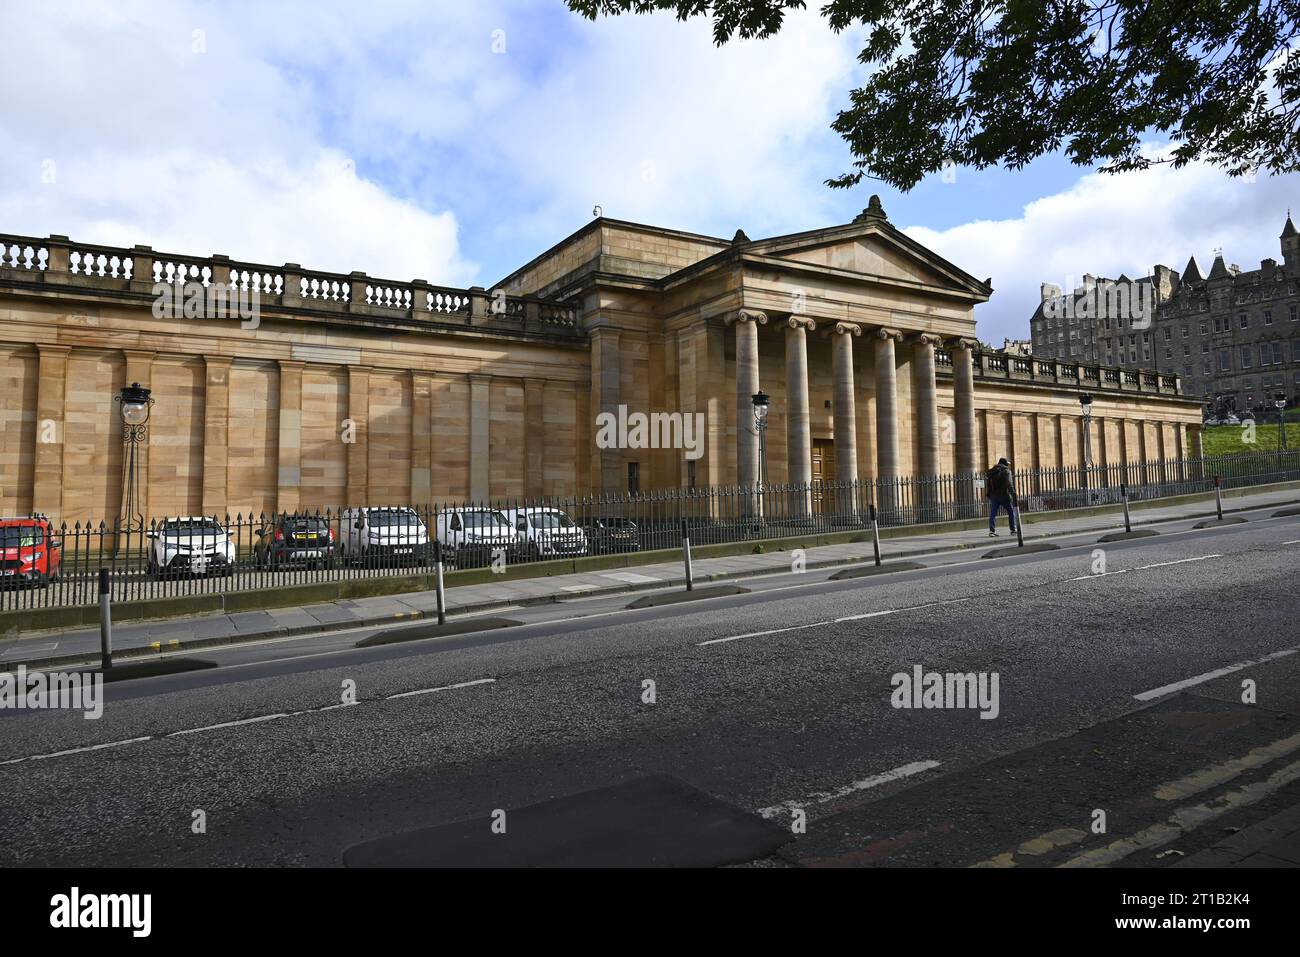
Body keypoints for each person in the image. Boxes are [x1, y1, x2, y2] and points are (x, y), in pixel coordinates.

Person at [986, 457, 1017, 537]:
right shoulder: (1006, 471)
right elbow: (1009, 483)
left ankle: (992, 531)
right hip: (1004, 495)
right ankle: (1013, 530)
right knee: (1011, 512)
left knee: (993, 513)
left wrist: (990, 494)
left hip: (994, 495)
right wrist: (1013, 493)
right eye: (1007, 464)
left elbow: (988, 484)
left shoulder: (992, 471)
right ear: (1005, 464)